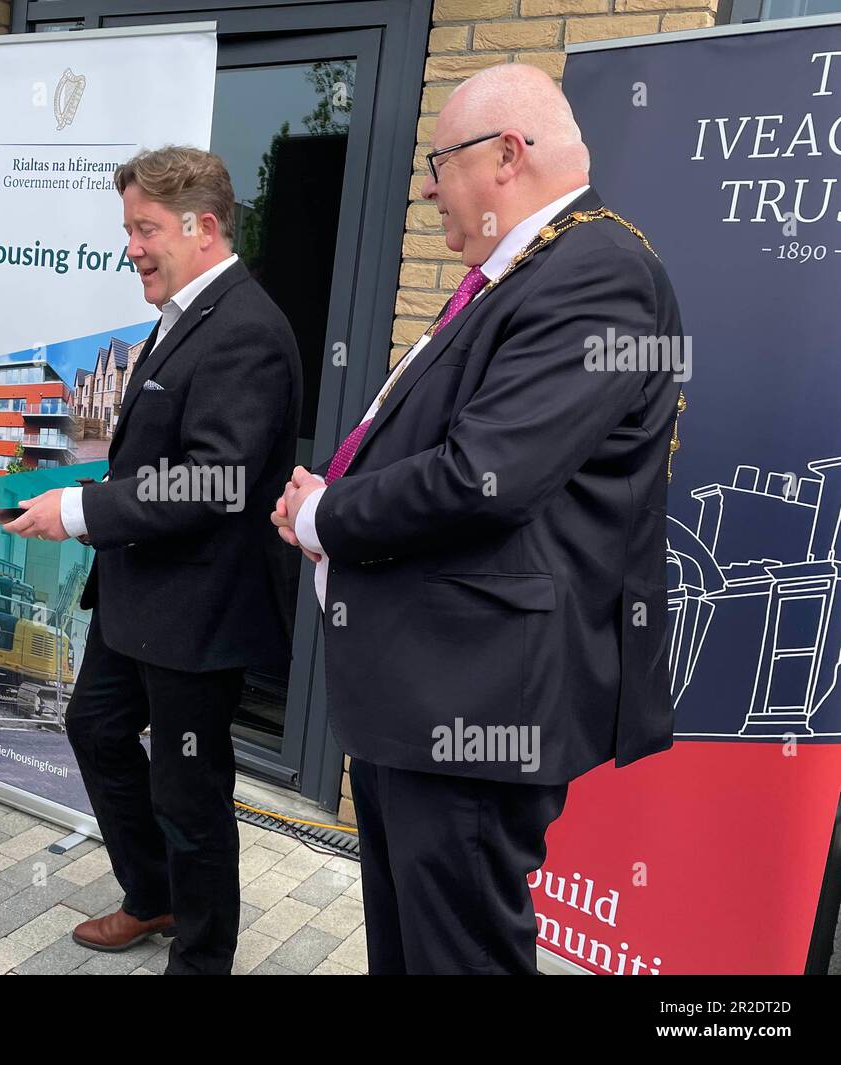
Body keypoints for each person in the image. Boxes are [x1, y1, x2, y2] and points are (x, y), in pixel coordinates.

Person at [273, 63, 683, 974]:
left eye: (438, 161)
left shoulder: (597, 271)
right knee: (412, 947)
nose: (424, 186)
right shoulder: (528, 270)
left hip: (480, 704)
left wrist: (325, 514)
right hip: (432, 692)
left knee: (458, 956)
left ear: (506, 155)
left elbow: (483, 475)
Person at [6, 147, 301, 974]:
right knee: (94, 728)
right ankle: (156, 893)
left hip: (199, 614)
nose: (130, 246)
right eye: (127, 227)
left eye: (145, 228)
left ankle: (201, 957)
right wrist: (90, 492)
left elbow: (214, 479)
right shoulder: (181, 314)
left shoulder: (248, 330)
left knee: (189, 792)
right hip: (140, 596)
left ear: (203, 228)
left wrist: (80, 510)